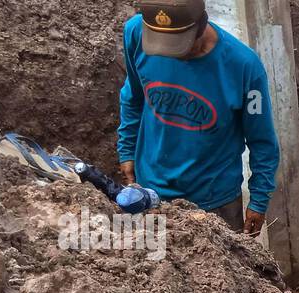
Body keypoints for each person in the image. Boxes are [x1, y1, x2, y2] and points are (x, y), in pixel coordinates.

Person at [118, 0, 279, 234]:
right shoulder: (136, 33)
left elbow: (262, 141)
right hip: (151, 195)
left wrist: (259, 200)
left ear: (201, 25)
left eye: (178, 45)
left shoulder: (244, 67)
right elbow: (132, 96)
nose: (169, 54)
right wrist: (127, 149)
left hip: (216, 203)